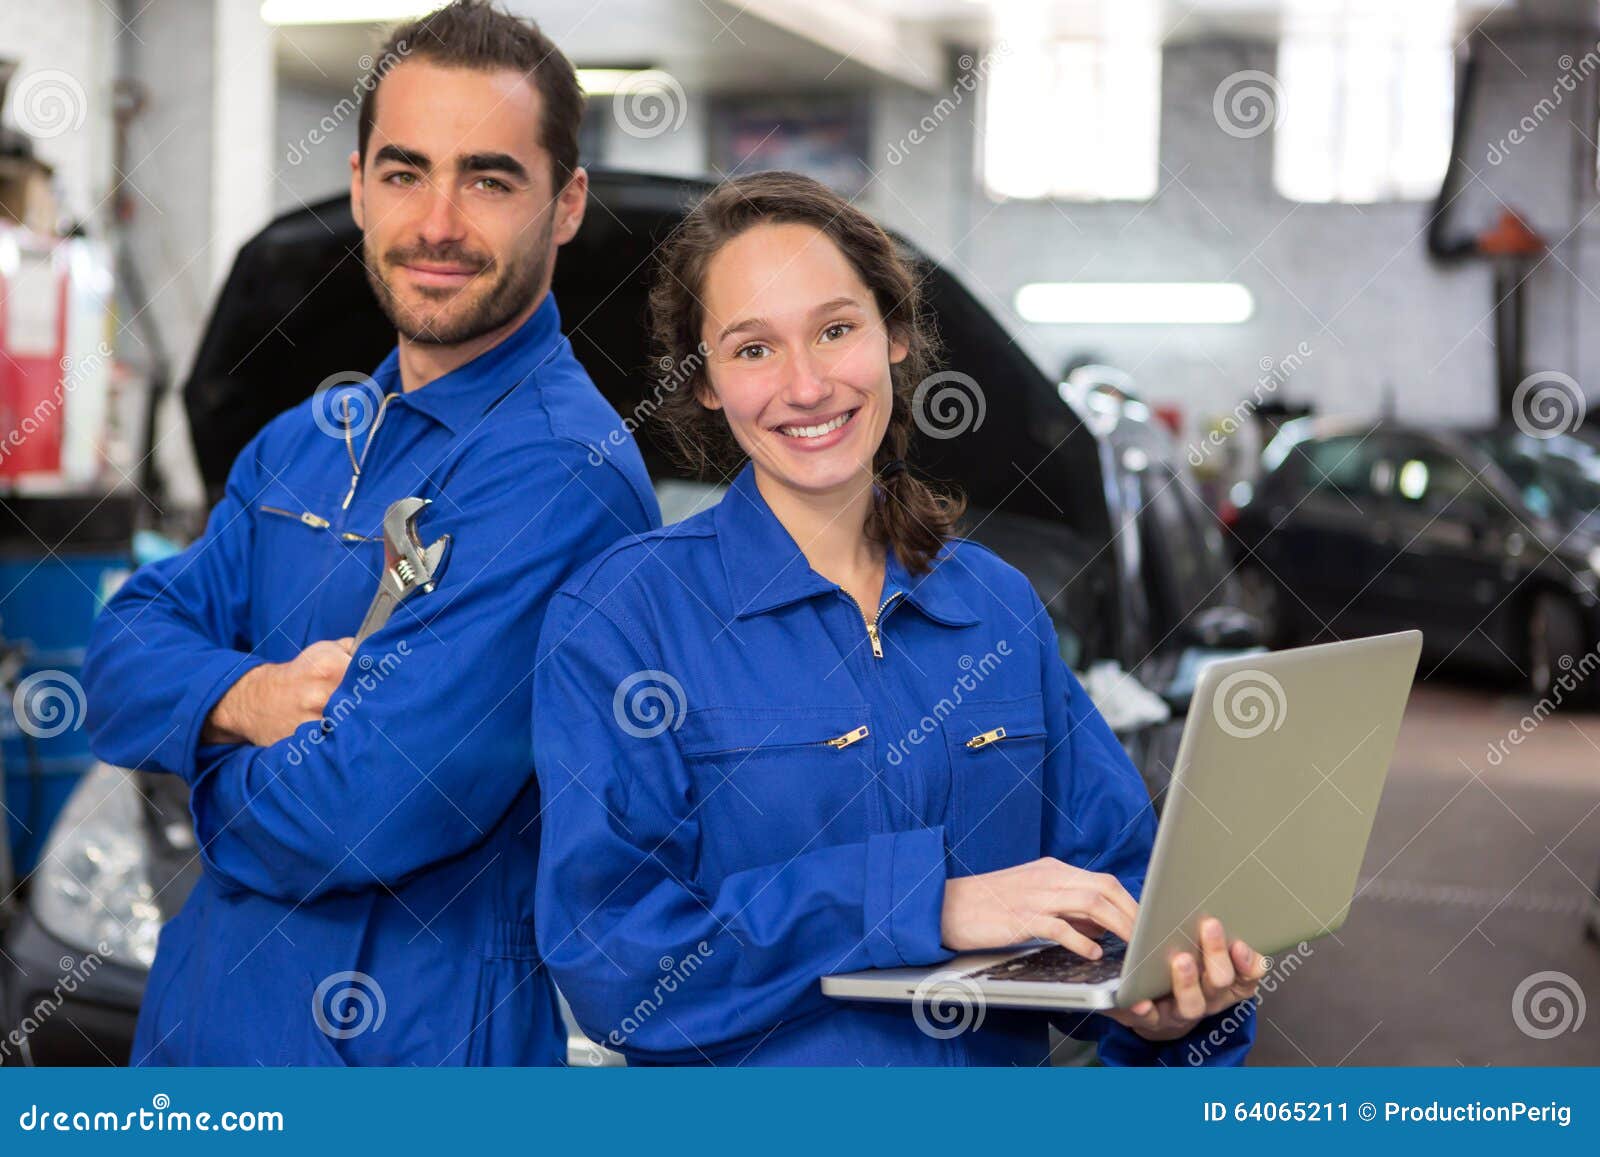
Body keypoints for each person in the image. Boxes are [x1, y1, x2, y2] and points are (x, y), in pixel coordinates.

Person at [530, 171, 1266, 1066]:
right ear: (706, 384)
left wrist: (1167, 1006)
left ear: (896, 339)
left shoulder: (993, 607)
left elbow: (1124, 881)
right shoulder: (626, 619)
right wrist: (924, 903)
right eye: (753, 349)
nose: (804, 386)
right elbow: (614, 960)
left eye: (836, 330)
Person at [80, 1, 659, 1065]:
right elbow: (115, 653)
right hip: (198, 1039)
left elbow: (359, 808)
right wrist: (245, 697)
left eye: (488, 178)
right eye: (404, 172)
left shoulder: (561, 475)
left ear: (565, 203)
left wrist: (187, 762)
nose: (437, 220)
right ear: (357, 185)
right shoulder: (303, 443)